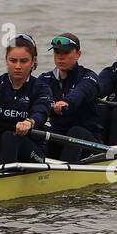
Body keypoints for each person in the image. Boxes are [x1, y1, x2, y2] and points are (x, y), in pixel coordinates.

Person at [0, 34, 53, 167]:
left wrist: (29, 122)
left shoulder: (41, 89)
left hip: (33, 152)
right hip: (0, 147)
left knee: (11, 136)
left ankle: (4, 179)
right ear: (6, 61)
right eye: (13, 60)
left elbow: (41, 110)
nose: (17, 66)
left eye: (23, 61)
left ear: (33, 62)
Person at [40, 32, 103, 163]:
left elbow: (81, 92)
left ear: (78, 54)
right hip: (60, 139)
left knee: (76, 131)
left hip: (89, 143)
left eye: (66, 53)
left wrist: (66, 103)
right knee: (38, 130)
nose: (60, 57)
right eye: (57, 53)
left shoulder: (88, 77)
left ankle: (61, 174)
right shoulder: (45, 79)